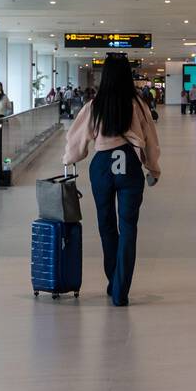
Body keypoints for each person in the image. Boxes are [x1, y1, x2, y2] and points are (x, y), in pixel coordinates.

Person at [62, 55, 161, 307]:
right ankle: (120, 290)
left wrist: (69, 160)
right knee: (128, 228)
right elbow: (151, 139)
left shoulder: (95, 105)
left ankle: (113, 279)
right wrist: (153, 168)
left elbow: (76, 139)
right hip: (130, 168)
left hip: (102, 167)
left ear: (104, 76)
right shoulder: (138, 105)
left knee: (106, 225)